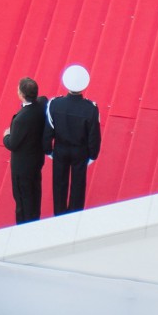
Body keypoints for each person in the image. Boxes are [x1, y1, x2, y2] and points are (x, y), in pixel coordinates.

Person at [43, 64, 102, 215]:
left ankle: (59, 214)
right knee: (78, 186)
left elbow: (48, 131)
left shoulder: (54, 104)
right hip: (80, 152)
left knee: (59, 185)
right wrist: (92, 155)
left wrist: (49, 151)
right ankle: (75, 217)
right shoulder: (91, 108)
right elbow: (94, 136)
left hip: (60, 150)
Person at [2, 76, 47, 224]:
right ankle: (35, 218)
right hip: (36, 159)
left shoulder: (21, 119)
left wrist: (6, 136)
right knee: (35, 192)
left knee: (23, 199)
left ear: (21, 94)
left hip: (22, 166)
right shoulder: (42, 104)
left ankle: (24, 225)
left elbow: (13, 144)